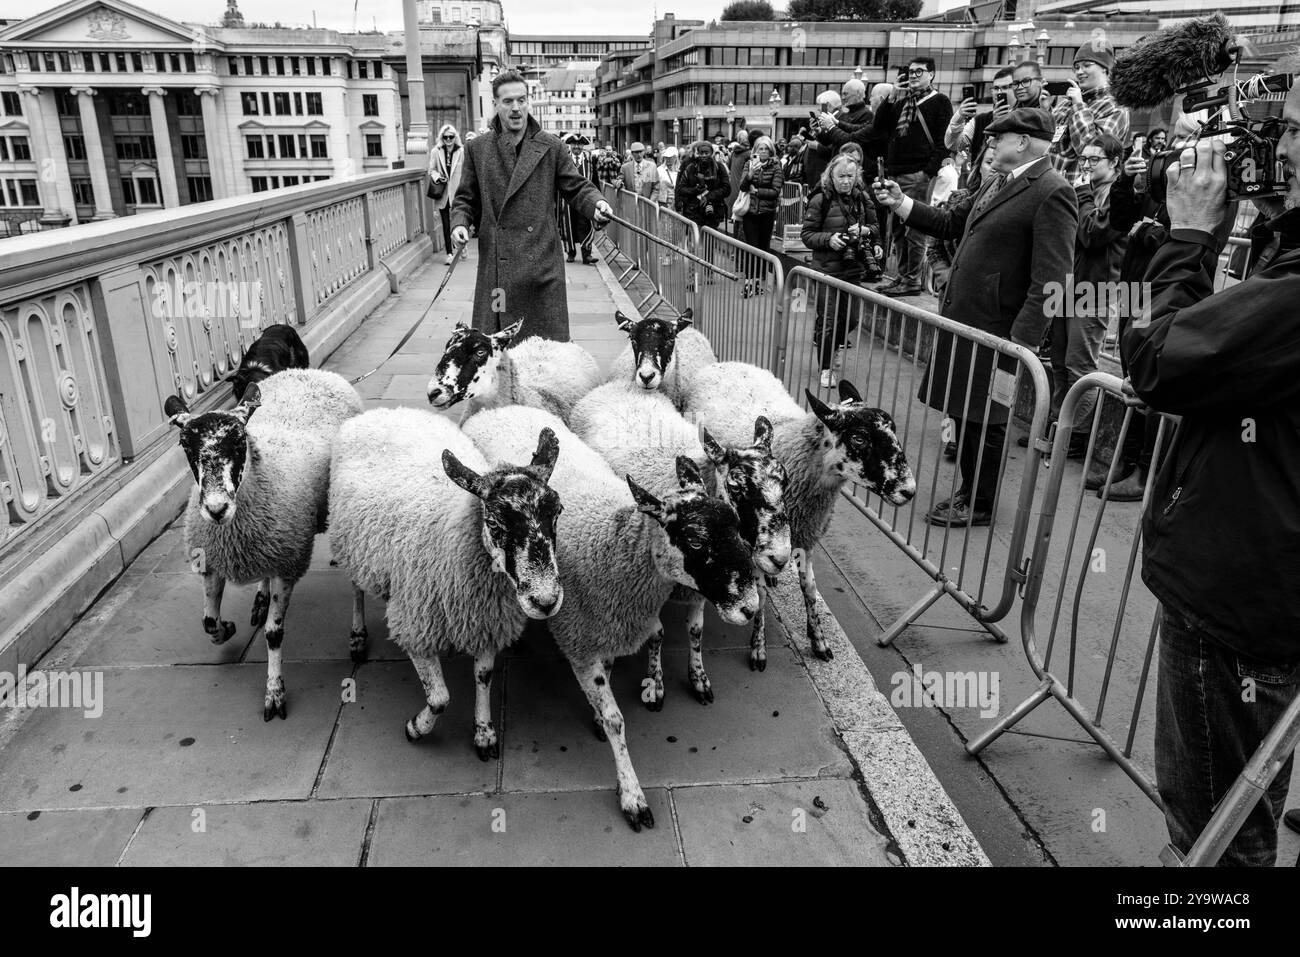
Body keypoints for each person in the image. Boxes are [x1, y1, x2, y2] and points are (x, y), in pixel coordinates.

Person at [1122, 91, 1300, 864]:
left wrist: (1190, 236)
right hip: (1259, 592)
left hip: (1236, 602)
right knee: (1238, 819)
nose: (1275, 147)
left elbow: (1163, 360)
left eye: (1292, 130)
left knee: (1217, 842)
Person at [874, 108, 1076, 527]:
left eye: (997, 138)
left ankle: (979, 503)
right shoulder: (998, 182)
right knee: (966, 414)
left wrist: (1019, 344)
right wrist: (902, 203)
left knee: (988, 422)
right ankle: (969, 491)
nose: (990, 144)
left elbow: (1053, 280)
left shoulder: (1052, 191)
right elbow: (950, 223)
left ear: (1021, 141)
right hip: (969, 325)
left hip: (999, 334)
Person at [450, 69, 612, 343]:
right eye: (508, 101)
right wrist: (459, 224)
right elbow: (465, 199)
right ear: (496, 105)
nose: (516, 108)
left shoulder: (552, 146)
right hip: (498, 271)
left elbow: (576, 186)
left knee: (546, 352)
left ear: (529, 101)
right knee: (499, 350)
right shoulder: (478, 149)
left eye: (521, 100)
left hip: (542, 264)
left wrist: (597, 203)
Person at [816, 57, 953, 299]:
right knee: (899, 228)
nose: (913, 76)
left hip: (917, 173)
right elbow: (879, 126)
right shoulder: (902, 102)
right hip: (896, 172)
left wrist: (927, 172)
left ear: (931, 74)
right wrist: (892, 97)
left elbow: (944, 142)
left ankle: (911, 279)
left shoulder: (939, 101)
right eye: (910, 72)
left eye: (919, 72)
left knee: (914, 229)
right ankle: (902, 276)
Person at [1049, 132, 1128, 455]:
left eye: (1094, 160)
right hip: (1067, 284)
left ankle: (1076, 435)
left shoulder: (1114, 195)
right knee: (1058, 362)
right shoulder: (1088, 191)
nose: (1087, 165)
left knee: (1080, 365)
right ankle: (1057, 423)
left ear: (1115, 163)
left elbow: (1092, 233)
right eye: (1084, 159)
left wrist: (1080, 193)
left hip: (1095, 289)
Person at [802, 154, 880, 388]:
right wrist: (829, 239)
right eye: (841, 176)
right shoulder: (820, 199)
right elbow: (807, 234)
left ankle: (832, 347)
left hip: (853, 269)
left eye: (850, 176)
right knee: (828, 320)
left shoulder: (862, 197)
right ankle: (825, 368)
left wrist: (868, 235)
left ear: (857, 176)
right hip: (827, 270)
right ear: (831, 175)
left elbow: (876, 227)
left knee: (852, 319)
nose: (846, 181)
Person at [1050, 39, 1131, 185]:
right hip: (1050, 188)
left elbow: (1090, 150)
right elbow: (1046, 145)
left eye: (1087, 65)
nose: (1080, 72)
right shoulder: (1066, 103)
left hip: (1081, 193)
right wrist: (1044, 110)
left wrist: (1079, 106)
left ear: (1105, 68)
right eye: (1076, 67)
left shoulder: (1116, 106)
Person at [737, 135, 784, 274]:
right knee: (751, 246)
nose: (763, 151)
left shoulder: (776, 166)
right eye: (760, 149)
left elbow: (775, 191)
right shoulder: (749, 164)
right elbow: (743, 187)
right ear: (755, 150)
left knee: (763, 247)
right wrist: (750, 174)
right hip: (750, 212)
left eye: (766, 149)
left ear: (771, 151)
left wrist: (757, 191)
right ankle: (750, 279)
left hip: (766, 213)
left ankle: (760, 278)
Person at [946, 67, 1014, 154]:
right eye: (996, 88)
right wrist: (959, 116)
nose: (999, 92)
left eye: (1005, 87)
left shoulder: (1025, 118)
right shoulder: (980, 120)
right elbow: (953, 145)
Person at [559, 133, 599, 265]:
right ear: (570, 145)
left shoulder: (590, 159)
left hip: (585, 198)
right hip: (567, 198)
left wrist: (598, 198)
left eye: (580, 144)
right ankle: (571, 253)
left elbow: (595, 180)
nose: (577, 146)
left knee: (585, 224)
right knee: (568, 225)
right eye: (574, 144)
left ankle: (586, 254)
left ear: (583, 145)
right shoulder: (564, 158)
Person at [428, 123, 465, 266]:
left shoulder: (461, 151)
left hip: (458, 192)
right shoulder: (436, 152)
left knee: (459, 221)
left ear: (455, 137)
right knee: (445, 224)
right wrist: (439, 177)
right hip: (443, 193)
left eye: (451, 137)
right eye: (446, 137)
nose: (448, 140)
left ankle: (463, 245)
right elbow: (431, 170)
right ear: (441, 138)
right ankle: (449, 254)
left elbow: (467, 172)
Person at [675, 139, 730, 232]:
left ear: (712, 153)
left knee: (710, 244)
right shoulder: (691, 168)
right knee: (695, 243)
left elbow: (727, 189)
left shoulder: (719, 167)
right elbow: (680, 189)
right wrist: (695, 190)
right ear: (698, 153)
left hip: (713, 212)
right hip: (693, 213)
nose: (704, 155)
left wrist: (708, 196)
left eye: (706, 153)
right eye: (701, 153)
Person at [727, 130, 752, 225]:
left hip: (734, 181)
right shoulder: (748, 153)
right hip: (742, 182)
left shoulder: (733, 153)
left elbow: (729, 166)